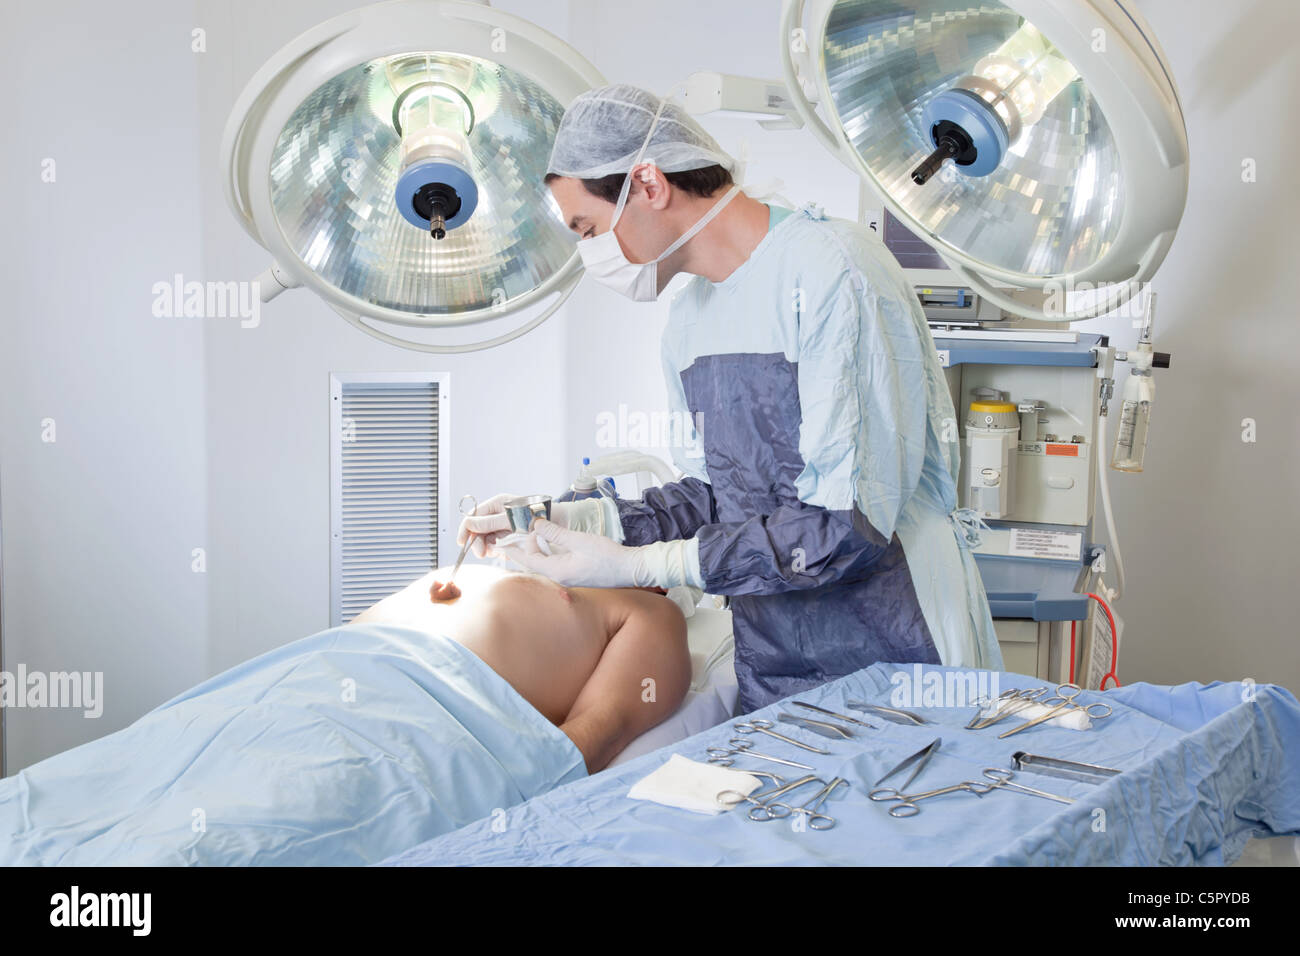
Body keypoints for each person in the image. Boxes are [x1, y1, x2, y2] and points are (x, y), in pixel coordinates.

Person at [463, 84, 1003, 712]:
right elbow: (713, 493)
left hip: (899, 649)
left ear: (648, 185)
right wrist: (565, 519)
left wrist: (641, 568)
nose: (591, 254)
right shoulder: (690, 321)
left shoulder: (831, 270)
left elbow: (847, 525)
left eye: (587, 228)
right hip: (775, 663)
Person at [355, 564, 689, 772]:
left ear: (656, 578)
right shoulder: (506, 572)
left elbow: (588, 740)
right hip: (325, 664)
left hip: (411, 715)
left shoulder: (653, 612)